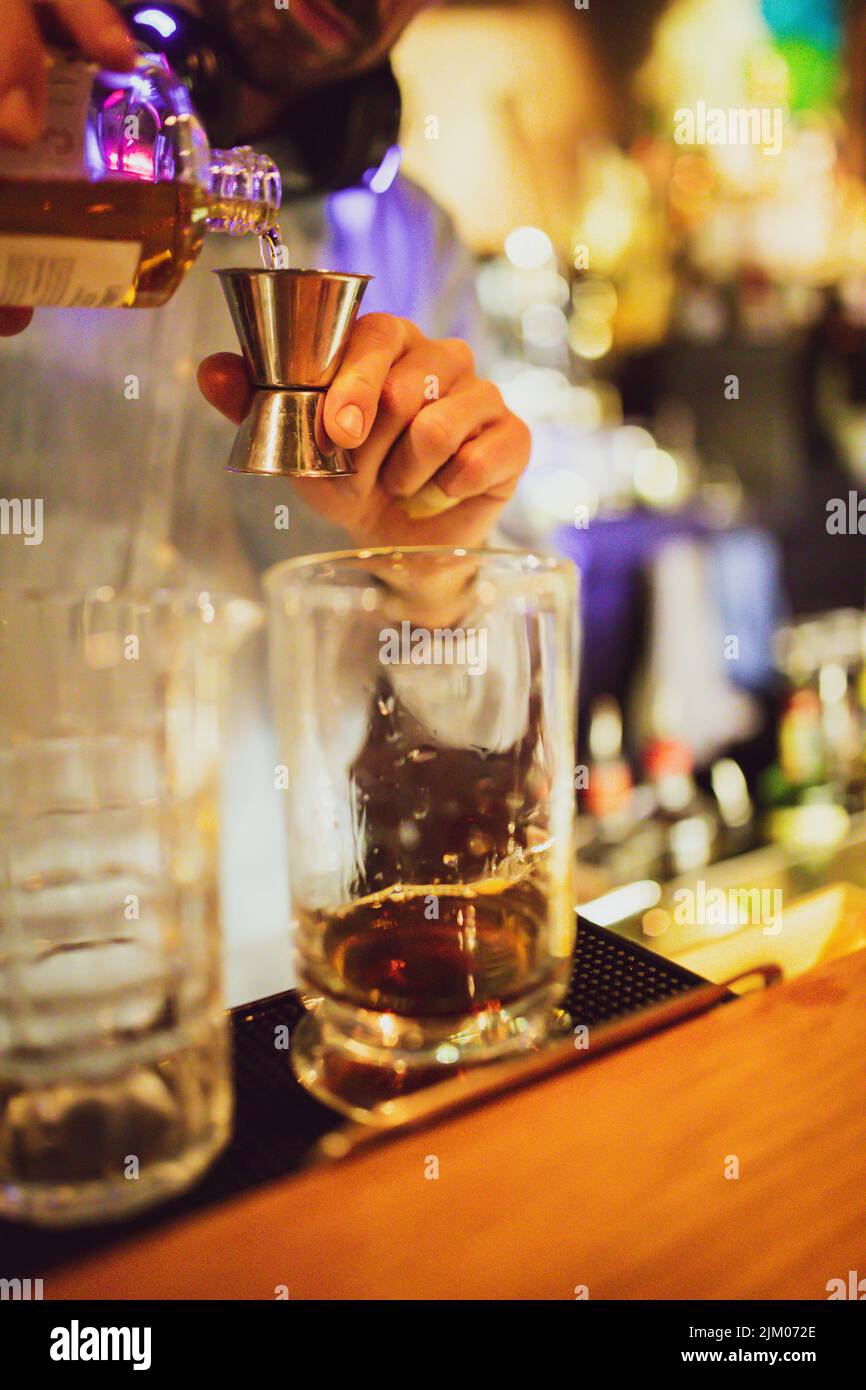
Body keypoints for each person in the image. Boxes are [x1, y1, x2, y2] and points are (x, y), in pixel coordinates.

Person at [0, 0, 531, 1002]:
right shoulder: (29, 147)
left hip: (259, 973)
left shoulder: (412, 243)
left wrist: (436, 570)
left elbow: (482, 721)